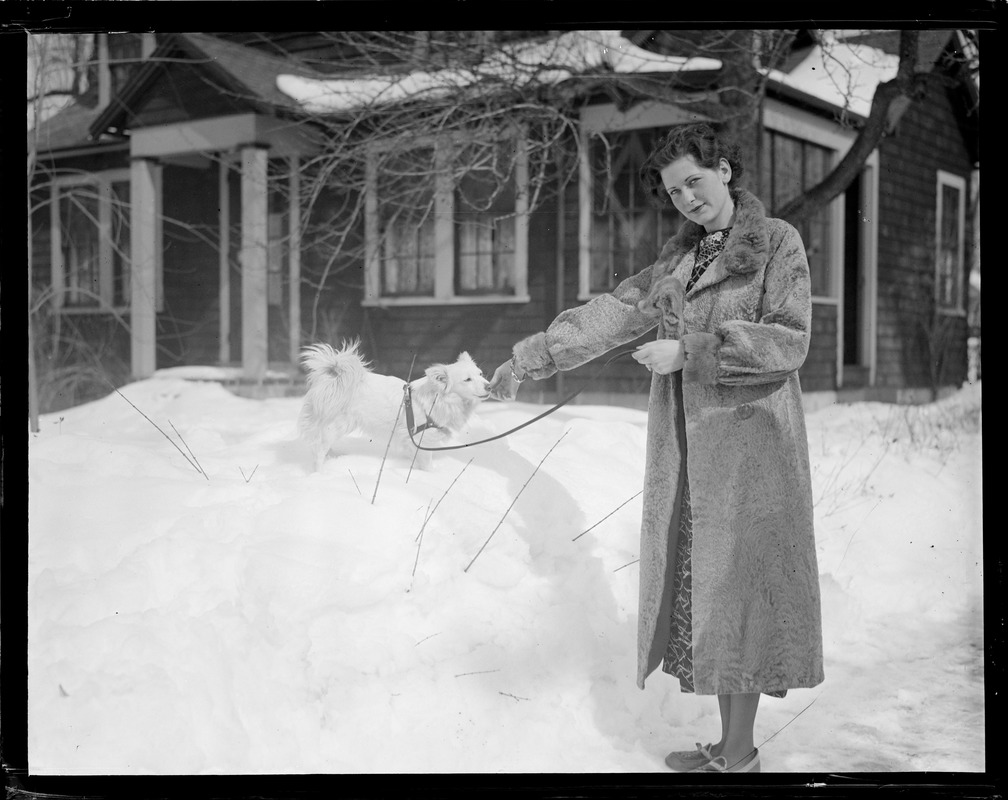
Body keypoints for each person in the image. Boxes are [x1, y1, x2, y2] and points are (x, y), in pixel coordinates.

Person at [489, 123, 824, 773]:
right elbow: (609, 315)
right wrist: (524, 361)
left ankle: (740, 752)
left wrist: (690, 351)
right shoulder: (678, 262)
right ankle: (731, 749)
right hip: (693, 459)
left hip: (753, 452)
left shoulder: (777, 243)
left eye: (694, 182)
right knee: (711, 597)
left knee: (742, 597)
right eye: (674, 192)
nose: (687, 200)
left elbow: (789, 340)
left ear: (725, 170)